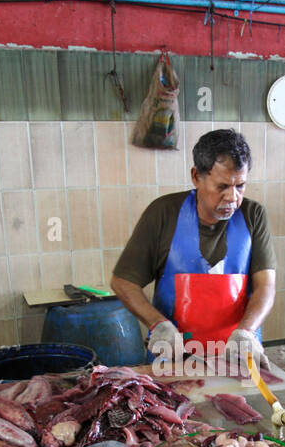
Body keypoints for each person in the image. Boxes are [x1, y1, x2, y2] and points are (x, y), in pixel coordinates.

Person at [110, 129, 276, 369]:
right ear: (196, 176)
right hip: (174, 361)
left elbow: (266, 285)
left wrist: (247, 332)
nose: (232, 197)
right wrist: (158, 324)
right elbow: (123, 281)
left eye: (240, 186)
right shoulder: (163, 214)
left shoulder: (253, 215)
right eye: (222, 187)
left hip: (236, 358)